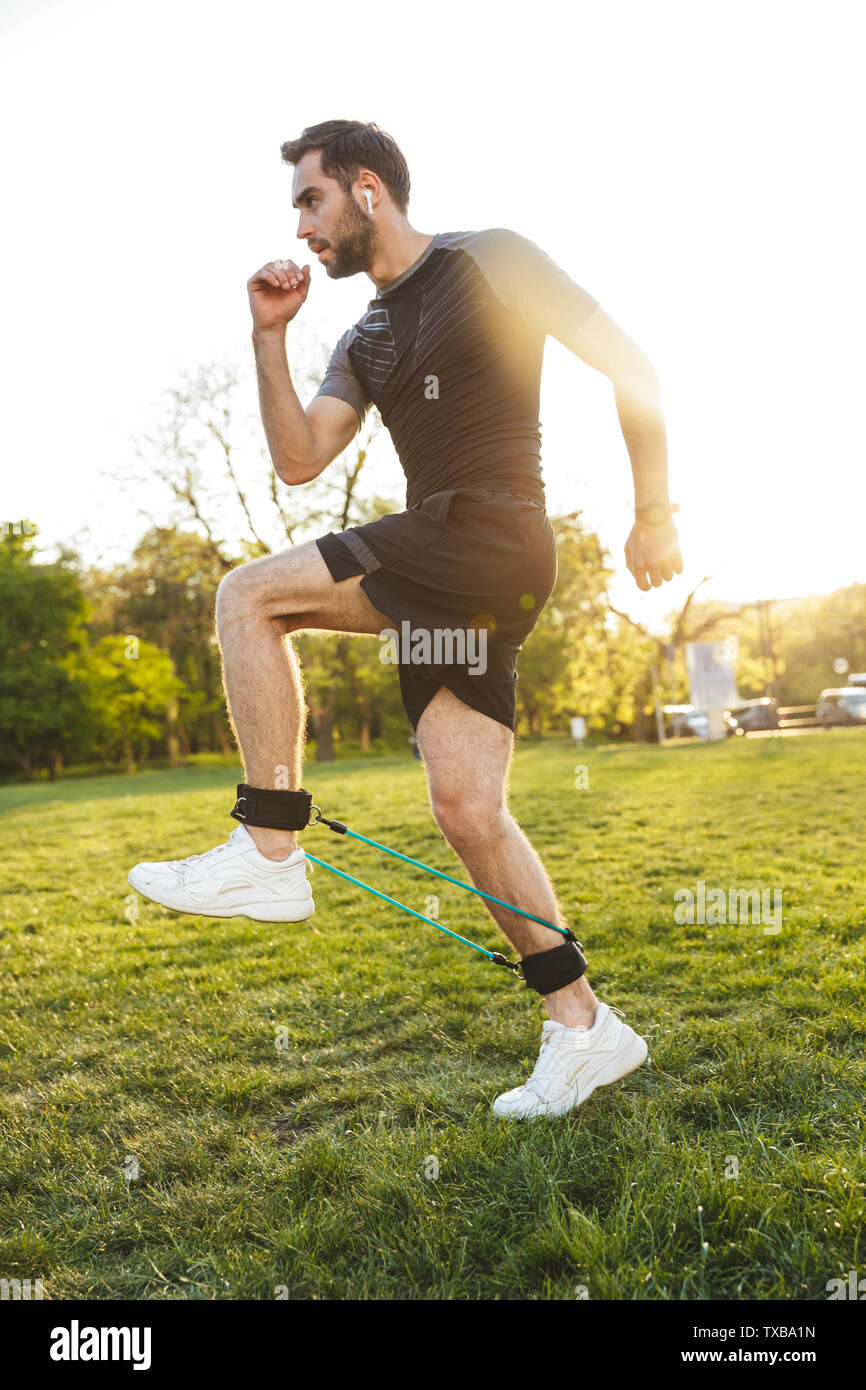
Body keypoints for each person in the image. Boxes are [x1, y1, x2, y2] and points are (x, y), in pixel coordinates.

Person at [128, 120, 683, 1119]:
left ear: (368, 190)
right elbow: (301, 459)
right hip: (451, 576)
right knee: (466, 811)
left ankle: (268, 847)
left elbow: (631, 363)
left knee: (247, 595)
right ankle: (582, 1024)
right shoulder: (366, 337)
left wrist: (652, 510)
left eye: (310, 201)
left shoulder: (491, 260)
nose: (301, 228)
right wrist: (268, 338)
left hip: (488, 534)